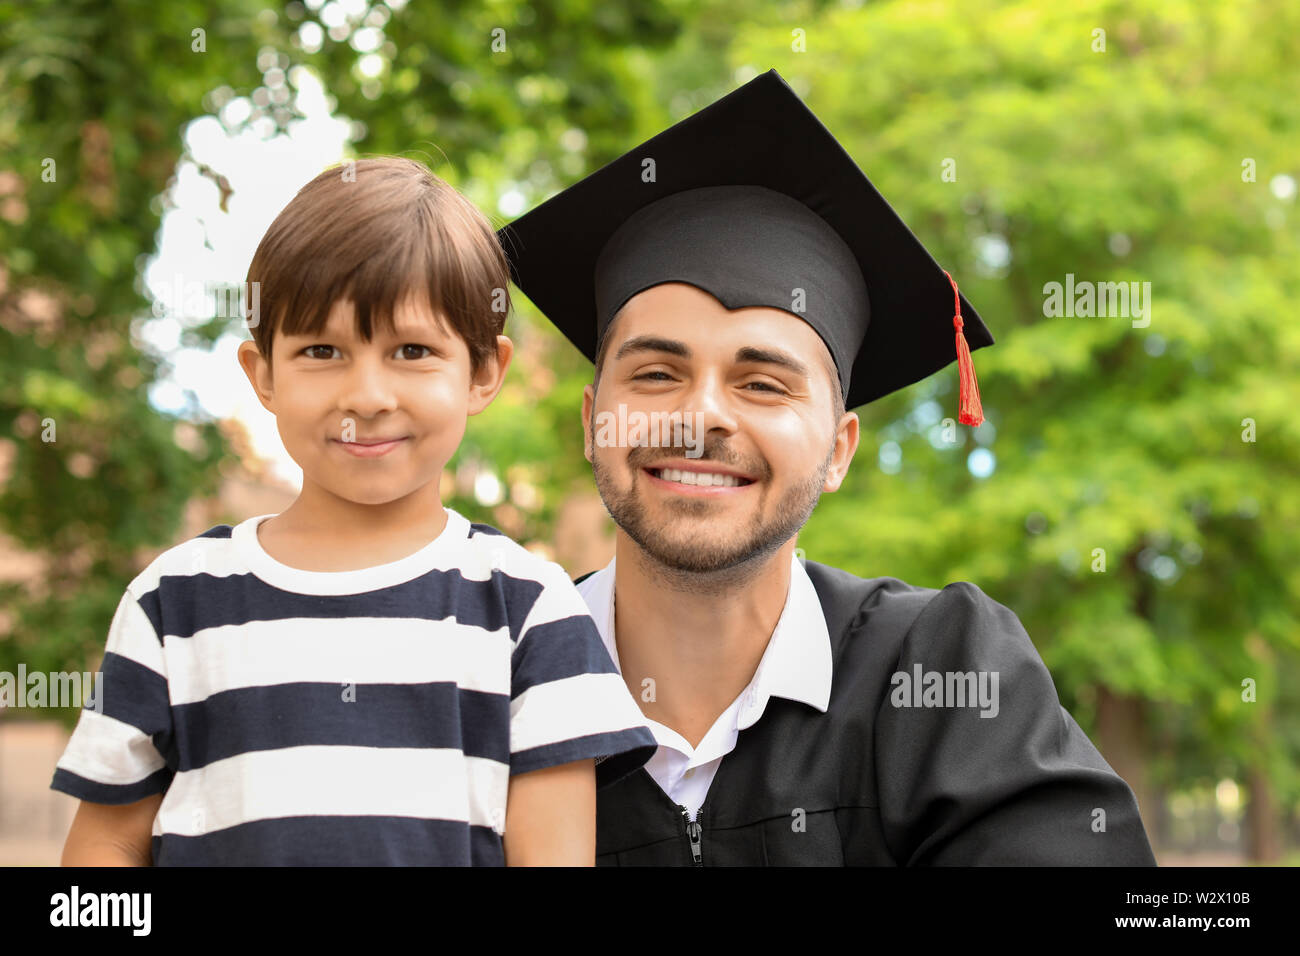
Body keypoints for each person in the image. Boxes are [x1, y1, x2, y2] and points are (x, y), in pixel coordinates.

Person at [497, 70, 1158, 865]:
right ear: (591, 421)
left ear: (839, 449)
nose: (701, 416)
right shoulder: (488, 685)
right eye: (656, 373)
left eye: (762, 383)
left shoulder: (941, 676)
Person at [50, 156, 656, 866]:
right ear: (263, 374)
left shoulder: (527, 611)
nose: (366, 396)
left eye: (412, 350)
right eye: (322, 350)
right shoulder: (173, 602)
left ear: (484, 372)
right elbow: (104, 851)